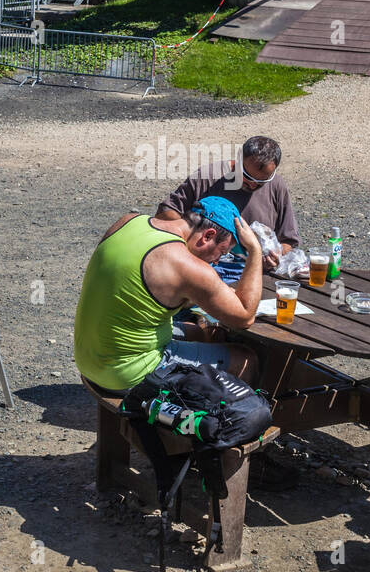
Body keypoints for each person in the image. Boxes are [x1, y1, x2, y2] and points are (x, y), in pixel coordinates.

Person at [74, 196, 262, 395]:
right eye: (222, 252)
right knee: (245, 360)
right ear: (208, 235)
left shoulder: (128, 221)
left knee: (200, 332)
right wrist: (255, 250)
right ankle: (205, 419)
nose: (217, 262)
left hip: (87, 359)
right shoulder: (186, 265)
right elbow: (245, 317)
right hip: (125, 375)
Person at [155, 135, 298, 273]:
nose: (253, 184)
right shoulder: (208, 176)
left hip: (254, 271)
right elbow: (165, 214)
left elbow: (289, 240)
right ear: (239, 158)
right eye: (247, 176)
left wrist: (276, 255)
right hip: (201, 267)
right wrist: (189, 243)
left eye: (262, 182)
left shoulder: (277, 186)